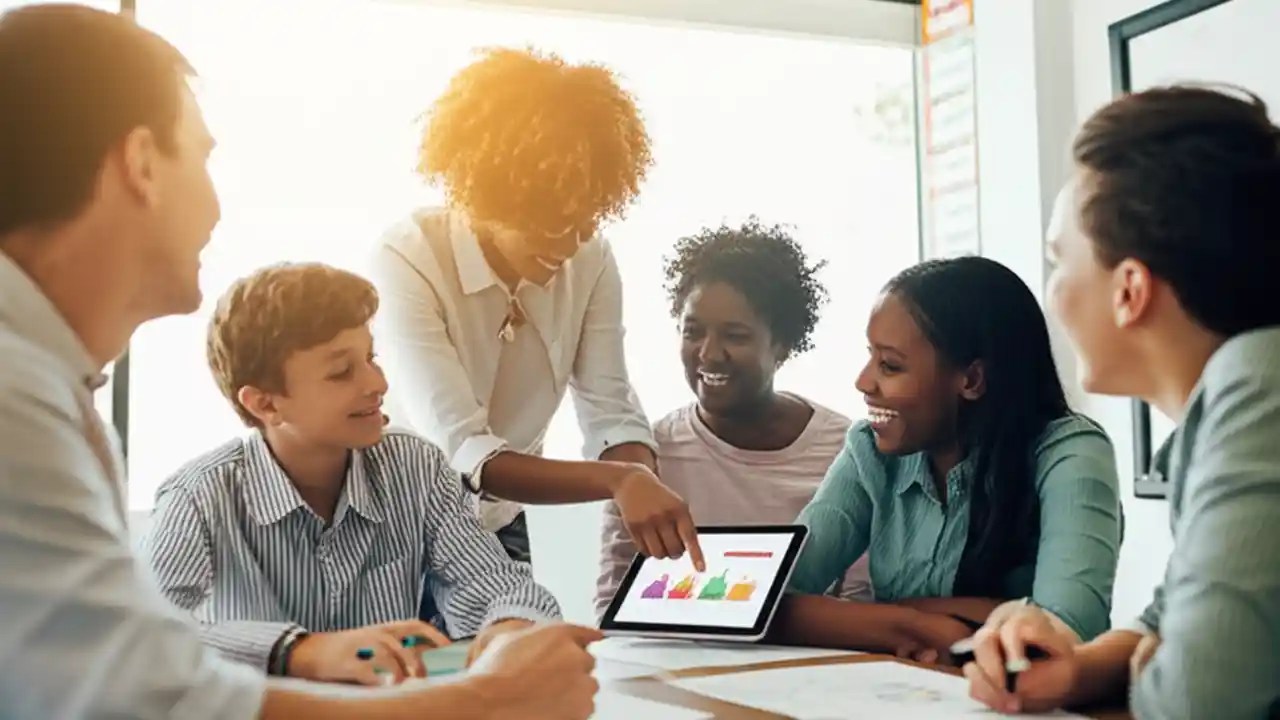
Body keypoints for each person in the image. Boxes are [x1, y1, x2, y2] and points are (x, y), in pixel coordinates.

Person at [0, 6, 599, 718]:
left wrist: (501, 643)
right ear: (140, 165)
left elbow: (106, 667)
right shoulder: (19, 399)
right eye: (204, 156)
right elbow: (144, 695)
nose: (218, 207)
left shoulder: (44, 387)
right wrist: (487, 696)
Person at [963, 86, 1280, 720]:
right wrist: (1076, 669)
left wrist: (1158, 667)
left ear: (1129, 290)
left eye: (1059, 260)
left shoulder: (1258, 387)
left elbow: (1197, 701)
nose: (1051, 294)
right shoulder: (1230, 404)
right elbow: (1165, 618)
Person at [144, 262, 563, 686]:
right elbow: (143, 638)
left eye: (371, 358)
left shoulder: (415, 466)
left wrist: (509, 631)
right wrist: (299, 652)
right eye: (342, 372)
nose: (378, 383)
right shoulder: (197, 497)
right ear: (266, 405)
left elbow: (497, 584)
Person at [371, 47, 704, 572]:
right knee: (426, 658)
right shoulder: (408, 256)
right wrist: (621, 482)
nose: (569, 243)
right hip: (394, 534)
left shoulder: (591, 260)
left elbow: (609, 408)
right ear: (489, 196)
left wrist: (641, 482)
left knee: (536, 651)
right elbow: (461, 448)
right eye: (549, 223)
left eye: (587, 220)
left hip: (502, 525)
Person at [774, 256, 1123, 660]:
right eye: (870, 356)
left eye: (889, 365)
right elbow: (771, 597)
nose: (863, 381)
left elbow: (1065, 633)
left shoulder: (1070, 453)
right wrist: (921, 626)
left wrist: (871, 618)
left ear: (971, 380)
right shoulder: (869, 448)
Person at [595, 220, 871, 617]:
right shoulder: (645, 458)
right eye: (693, 332)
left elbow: (861, 599)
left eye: (735, 336)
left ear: (783, 346)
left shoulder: (848, 450)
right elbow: (612, 609)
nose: (708, 353)